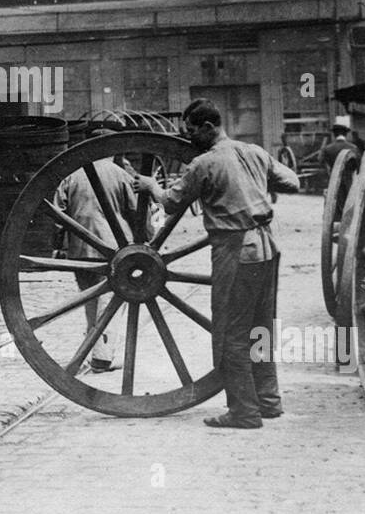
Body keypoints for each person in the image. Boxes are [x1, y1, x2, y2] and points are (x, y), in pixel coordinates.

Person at [135, 98, 300, 429]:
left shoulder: (203, 164)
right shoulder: (253, 152)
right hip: (267, 248)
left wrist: (151, 185)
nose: (188, 137)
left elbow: (170, 202)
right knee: (261, 326)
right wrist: (255, 183)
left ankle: (244, 412)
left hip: (235, 251)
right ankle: (268, 401)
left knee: (231, 334)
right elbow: (293, 182)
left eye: (191, 131)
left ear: (208, 128)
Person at [51, 129, 137, 373]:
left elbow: (59, 214)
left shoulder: (72, 176)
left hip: (79, 248)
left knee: (89, 299)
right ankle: (102, 357)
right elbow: (135, 211)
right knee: (110, 301)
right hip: (112, 248)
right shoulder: (120, 175)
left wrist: (57, 245)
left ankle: (92, 350)